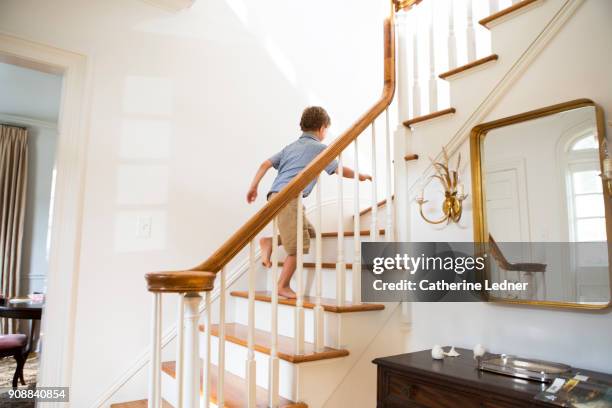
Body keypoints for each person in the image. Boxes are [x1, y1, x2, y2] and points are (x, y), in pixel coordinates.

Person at [246, 106, 372, 299]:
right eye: (327, 130)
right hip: (289, 197)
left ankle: (270, 241)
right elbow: (339, 170)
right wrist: (360, 176)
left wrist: (253, 187)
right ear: (322, 128)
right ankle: (282, 285)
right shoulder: (320, 149)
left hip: (277, 195)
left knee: (309, 232)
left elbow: (265, 164)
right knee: (299, 245)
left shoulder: (291, 147)